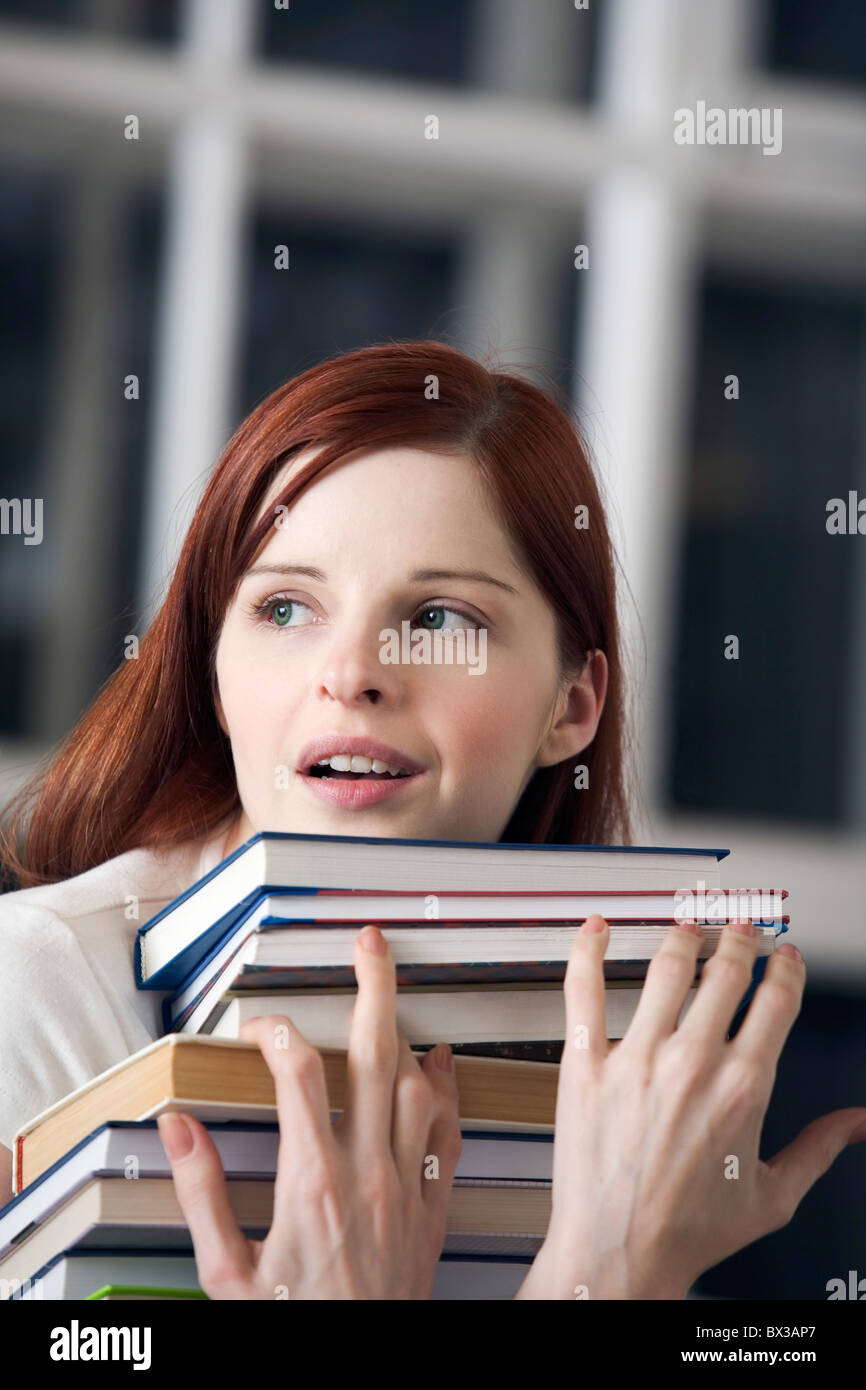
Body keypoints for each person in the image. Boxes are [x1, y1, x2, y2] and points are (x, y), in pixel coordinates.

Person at [1, 340, 863, 1300]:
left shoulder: (630, 1101)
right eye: (285, 608)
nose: (353, 672)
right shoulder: (38, 988)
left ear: (571, 708)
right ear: (214, 670)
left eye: (443, 620)